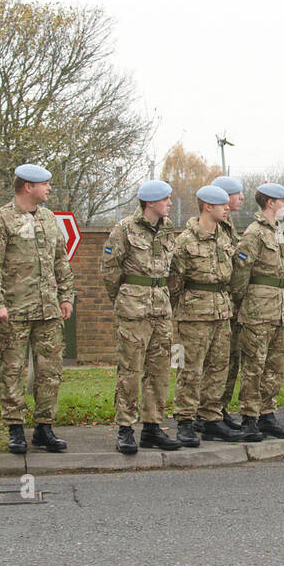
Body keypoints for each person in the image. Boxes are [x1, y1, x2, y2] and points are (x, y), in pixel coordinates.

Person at [0, 164, 75, 455]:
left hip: (48, 311)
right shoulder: (1, 220)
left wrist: (66, 296)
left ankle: (44, 428)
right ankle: (15, 428)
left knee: (50, 371)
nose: (49, 189)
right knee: (11, 371)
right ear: (27, 187)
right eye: (44, 184)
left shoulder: (49, 219)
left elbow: (61, 260)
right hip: (14, 310)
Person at [169, 185, 259, 448]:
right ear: (208, 206)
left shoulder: (224, 237)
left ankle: (211, 419)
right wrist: (182, 310)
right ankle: (185, 420)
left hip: (221, 312)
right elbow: (175, 282)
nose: (228, 208)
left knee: (218, 368)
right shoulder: (185, 240)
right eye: (222, 205)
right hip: (194, 315)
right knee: (189, 369)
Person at [101, 180, 179, 453]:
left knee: (158, 371)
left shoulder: (168, 230)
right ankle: (125, 428)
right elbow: (110, 270)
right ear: (151, 203)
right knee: (130, 371)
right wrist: (123, 299)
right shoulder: (124, 229)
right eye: (166, 199)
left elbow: (173, 272)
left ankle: (152, 426)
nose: (170, 203)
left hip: (161, 309)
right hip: (134, 310)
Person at [230, 182, 284, 440]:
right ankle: (249, 417)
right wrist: (244, 302)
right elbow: (241, 273)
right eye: (283, 201)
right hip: (258, 310)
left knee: (274, 367)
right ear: (270, 203)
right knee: (254, 366)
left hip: (278, 310)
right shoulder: (254, 233)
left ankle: (267, 413)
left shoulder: (277, 232)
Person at [212, 176, 246, 430]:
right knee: (214, 362)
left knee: (230, 359)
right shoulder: (214, 225)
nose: (241, 198)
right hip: (214, 305)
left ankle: (220, 408)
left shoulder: (228, 225)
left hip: (229, 304)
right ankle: (207, 413)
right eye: (237, 194)